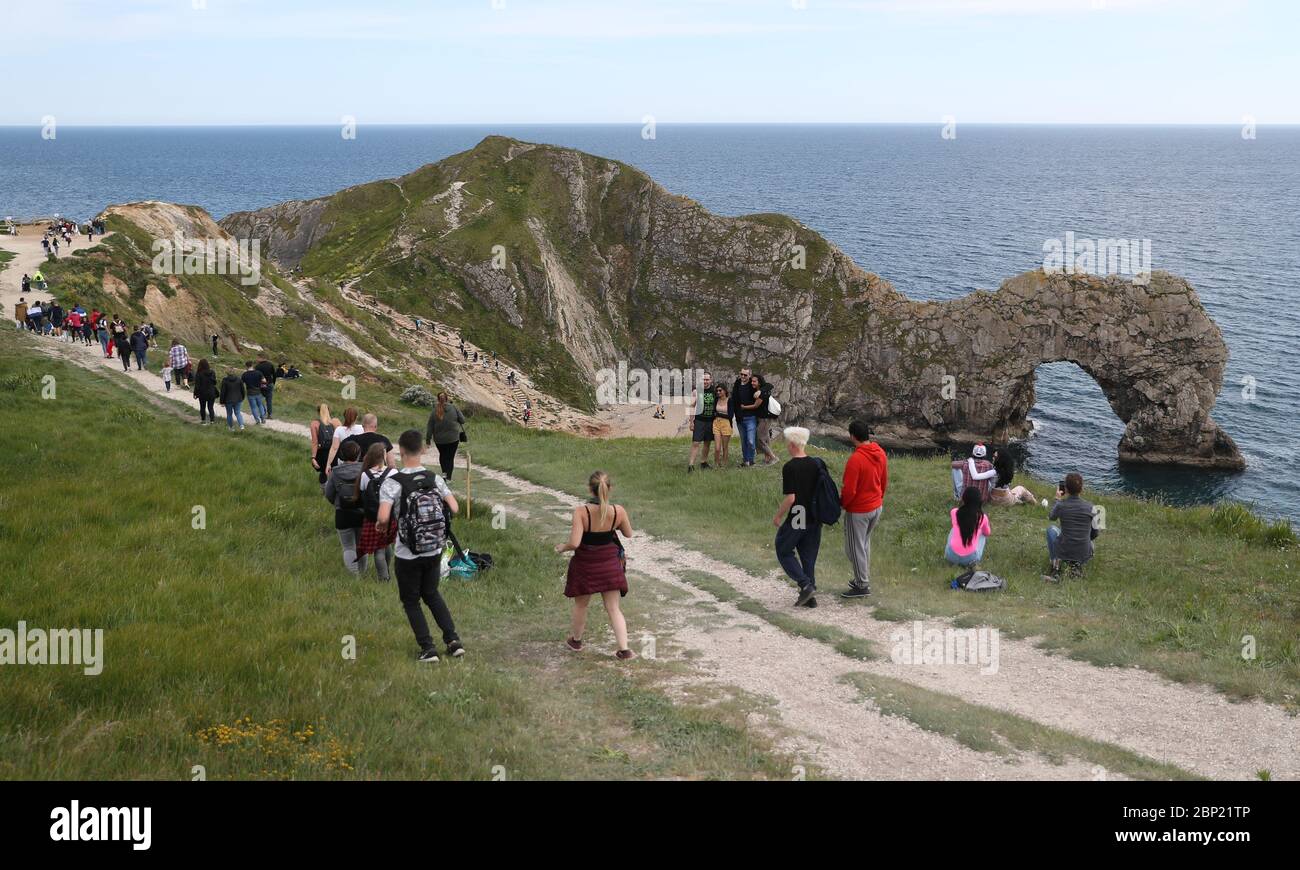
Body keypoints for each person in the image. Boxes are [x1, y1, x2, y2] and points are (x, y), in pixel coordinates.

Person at [376, 429, 465, 663]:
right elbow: (454, 508)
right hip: (434, 548)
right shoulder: (433, 478)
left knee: (411, 600)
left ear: (401, 450)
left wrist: (380, 525)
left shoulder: (392, 482)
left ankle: (428, 649)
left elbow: (384, 517)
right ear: (423, 450)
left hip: (408, 552)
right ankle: (453, 641)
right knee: (432, 593)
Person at [556, 471, 635, 659]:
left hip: (586, 564)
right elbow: (628, 534)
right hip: (610, 564)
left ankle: (576, 641)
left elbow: (575, 543)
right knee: (614, 608)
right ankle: (624, 649)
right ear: (610, 488)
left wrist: (562, 547)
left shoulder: (581, 512)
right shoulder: (618, 511)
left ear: (589, 489)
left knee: (581, 605)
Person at [774, 427, 822, 608]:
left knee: (784, 548)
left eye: (788, 443)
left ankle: (805, 585)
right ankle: (810, 596)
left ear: (792, 444)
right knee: (808, 555)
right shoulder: (817, 463)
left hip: (799, 513)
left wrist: (778, 516)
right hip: (815, 514)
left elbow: (791, 498)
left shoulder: (790, 467)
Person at [840, 420, 888, 598]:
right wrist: (879, 498)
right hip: (876, 506)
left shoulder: (856, 459)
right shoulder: (880, 453)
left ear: (852, 436)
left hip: (859, 510)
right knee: (864, 544)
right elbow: (884, 480)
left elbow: (849, 489)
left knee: (854, 548)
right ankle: (862, 577)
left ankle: (862, 584)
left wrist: (844, 504)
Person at [323, 441, 368, 576]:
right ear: (359, 454)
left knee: (348, 547)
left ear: (341, 455)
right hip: (362, 513)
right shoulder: (365, 470)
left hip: (342, 513)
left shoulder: (335, 472)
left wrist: (337, 503)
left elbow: (329, 493)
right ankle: (362, 573)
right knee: (361, 545)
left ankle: (355, 576)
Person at [1044, 473, 1098, 580]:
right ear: (1082, 489)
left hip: (1064, 550)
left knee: (1051, 530)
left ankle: (1056, 566)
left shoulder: (1061, 505)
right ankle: (1076, 566)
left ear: (1066, 489)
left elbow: (1051, 517)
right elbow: (1095, 534)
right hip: (1084, 552)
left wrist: (1057, 499)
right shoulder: (1092, 507)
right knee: (1089, 541)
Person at [356, 442, 397, 582]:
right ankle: (386, 574)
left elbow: (362, 494)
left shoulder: (365, 475)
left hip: (372, 517)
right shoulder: (393, 472)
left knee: (379, 549)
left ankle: (384, 578)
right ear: (384, 456)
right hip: (390, 515)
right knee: (386, 544)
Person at [946, 486, 991, 567]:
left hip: (951, 556)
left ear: (964, 498)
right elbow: (987, 533)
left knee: (954, 528)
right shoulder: (982, 517)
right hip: (970, 559)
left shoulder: (954, 512)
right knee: (983, 534)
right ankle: (971, 557)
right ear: (979, 501)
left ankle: (955, 555)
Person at [424, 392, 466, 480]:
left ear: (438, 399)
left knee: (443, 456)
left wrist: (428, 440)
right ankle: (449, 478)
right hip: (453, 438)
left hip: (439, 440)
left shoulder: (434, 410)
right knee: (450, 458)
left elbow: (430, 426)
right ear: (447, 398)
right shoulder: (454, 407)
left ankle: (444, 475)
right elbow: (462, 420)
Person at [686, 371, 716, 473]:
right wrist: (691, 422)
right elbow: (691, 406)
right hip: (699, 420)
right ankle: (691, 465)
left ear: (711, 380)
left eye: (707, 379)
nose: (705, 381)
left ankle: (703, 462)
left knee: (707, 443)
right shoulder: (696, 391)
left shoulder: (715, 391)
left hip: (711, 421)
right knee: (696, 443)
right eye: (703, 379)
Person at [731, 366, 758, 466]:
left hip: (751, 417)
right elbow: (734, 399)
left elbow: (767, 385)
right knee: (743, 441)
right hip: (740, 418)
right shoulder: (737, 383)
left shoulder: (753, 384)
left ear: (749, 375)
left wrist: (760, 391)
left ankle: (751, 459)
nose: (742, 376)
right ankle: (746, 461)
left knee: (750, 441)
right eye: (741, 374)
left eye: (745, 375)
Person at [753, 374, 780, 466]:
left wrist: (744, 407)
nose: (752, 383)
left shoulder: (764, 390)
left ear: (759, 382)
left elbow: (770, 385)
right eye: (752, 381)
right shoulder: (758, 389)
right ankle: (767, 458)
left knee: (760, 439)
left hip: (764, 418)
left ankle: (773, 457)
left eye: (754, 381)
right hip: (762, 418)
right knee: (766, 437)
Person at [310, 404, 338, 484]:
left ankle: (324, 491)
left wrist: (313, 457)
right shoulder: (335, 422)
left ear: (318, 412)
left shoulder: (315, 423)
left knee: (323, 472)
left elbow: (315, 442)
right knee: (333, 472)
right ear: (329, 411)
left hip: (322, 453)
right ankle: (333, 490)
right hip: (334, 452)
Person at [712, 385, 732, 467]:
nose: (718, 392)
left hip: (726, 424)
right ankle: (716, 464)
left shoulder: (730, 400)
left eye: (720, 390)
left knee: (724, 447)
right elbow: (713, 412)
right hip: (716, 423)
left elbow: (730, 415)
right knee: (717, 448)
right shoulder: (716, 399)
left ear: (725, 391)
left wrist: (718, 414)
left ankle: (724, 464)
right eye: (717, 391)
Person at [193, 359, 218, 424]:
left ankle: (203, 420)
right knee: (210, 407)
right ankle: (212, 421)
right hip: (211, 392)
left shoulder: (199, 373)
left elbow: (197, 385)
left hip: (202, 393)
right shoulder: (212, 372)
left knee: (202, 407)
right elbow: (215, 383)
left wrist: (195, 393)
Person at [255, 354, 277, 418]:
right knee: (269, 400)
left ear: (261, 358)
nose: (257, 359)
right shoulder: (270, 364)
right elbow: (274, 375)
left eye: (258, 358)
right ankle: (269, 415)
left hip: (261, 384)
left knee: (259, 398)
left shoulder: (257, 366)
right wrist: (273, 382)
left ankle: (263, 411)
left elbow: (256, 376)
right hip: (270, 383)